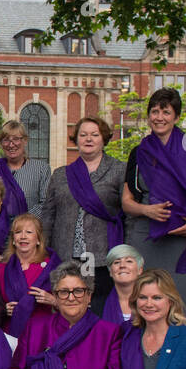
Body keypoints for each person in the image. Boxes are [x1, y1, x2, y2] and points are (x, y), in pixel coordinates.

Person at [120, 88, 186, 315]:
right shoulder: (139, 153)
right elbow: (126, 202)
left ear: (176, 117)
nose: (159, 117)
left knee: (179, 303)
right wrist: (146, 210)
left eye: (166, 112)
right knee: (144, 302)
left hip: (181, 237)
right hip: (145, 236)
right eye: (154, 111)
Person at [39, 116, 124, 309]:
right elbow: (48, 214)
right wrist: (44, 249)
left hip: (102, 255)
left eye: (94, 135)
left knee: (98, 308)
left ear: (104, 139)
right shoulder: (60, 174)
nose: (88, 139)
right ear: (75, 139)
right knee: (66, 306)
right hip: (65, 254)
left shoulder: (119, 170)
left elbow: (126, 214)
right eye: (83, 135)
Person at [0, 213, 59, 337]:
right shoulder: (2, 268)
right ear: (13, 239)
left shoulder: (52, 267)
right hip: (11, 332)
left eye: (29, 232)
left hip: (42, 332)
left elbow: (71, 305)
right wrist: (3, 309)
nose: (23, 237)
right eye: (18, 232)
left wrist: (53, 301)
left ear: (39, 239)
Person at [0, 119, 49, 215]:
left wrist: (22, 223)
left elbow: (45, 204)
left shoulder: (41, 169)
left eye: (16, 139)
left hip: (28, 227)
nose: (11, 144)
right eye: (6, 140)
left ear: (25, 141)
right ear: (1, 143)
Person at [99, 243, 145, 328]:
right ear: (110, 272)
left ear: (140, 270)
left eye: (129, 261)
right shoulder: (97, 304)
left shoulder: (150, 302)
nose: (122, 266)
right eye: (116, 262)